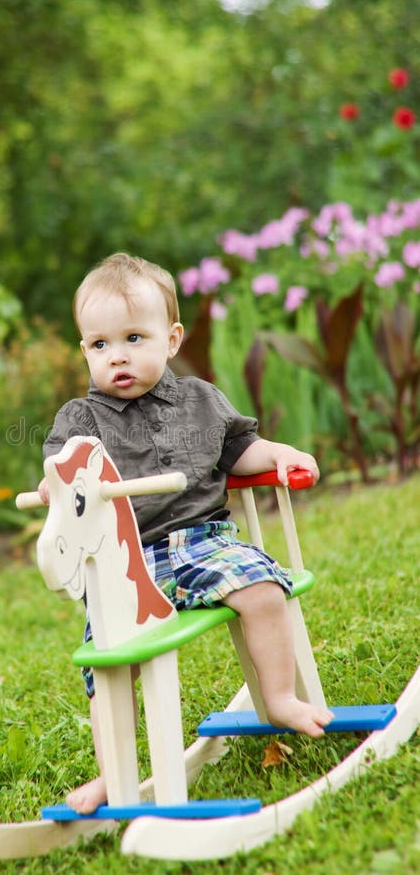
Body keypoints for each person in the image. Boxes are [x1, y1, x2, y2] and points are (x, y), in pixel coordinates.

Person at [38, 252, 333, 814]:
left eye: (133, 338)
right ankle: (113, 775)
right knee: (108, 665)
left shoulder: (200, 399)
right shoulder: (80, 419)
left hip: (204, 542)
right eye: (100, 345)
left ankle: (278, 699)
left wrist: (281, 453)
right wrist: (57, 487)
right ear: (84, 351)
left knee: (265, 591)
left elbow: (241, 451)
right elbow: (63, 473)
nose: (117, 356)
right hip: (130, 563)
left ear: (171, 339)